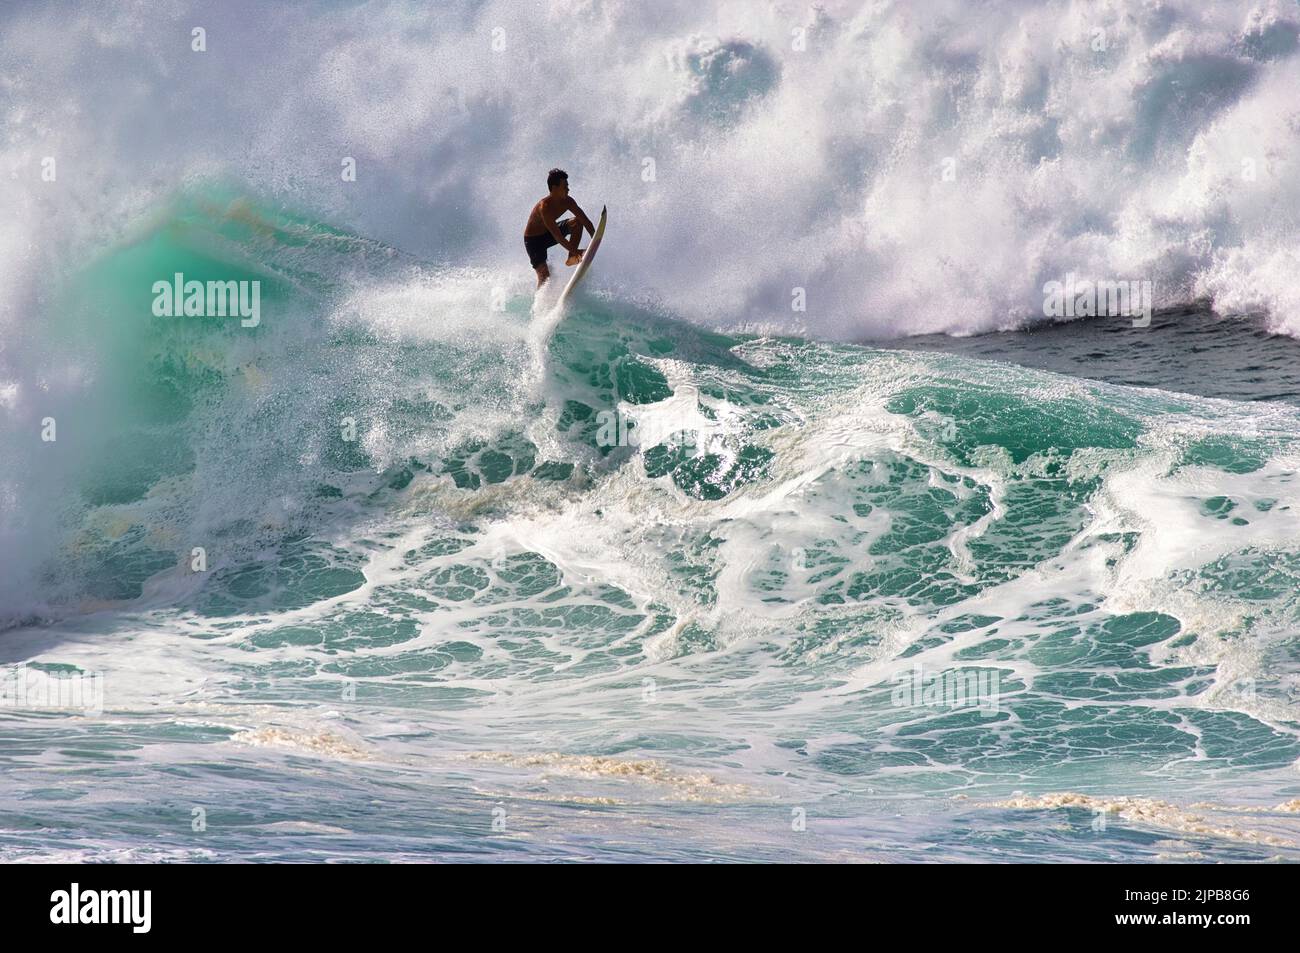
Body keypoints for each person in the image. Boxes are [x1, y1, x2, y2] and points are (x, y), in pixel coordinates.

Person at [524, 168, 596, 287]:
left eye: (568, 186)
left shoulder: (568, 201)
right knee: (544, 276)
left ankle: (572, 257)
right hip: (533, 241)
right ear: (554, 188)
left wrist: (594, 237)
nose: (568, 189)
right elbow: (558, 237)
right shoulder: (544, 207)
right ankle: (541, 303)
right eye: (565, 186)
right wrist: (578, 251)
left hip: (548, 234)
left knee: (577, 222)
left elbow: (585, 220)